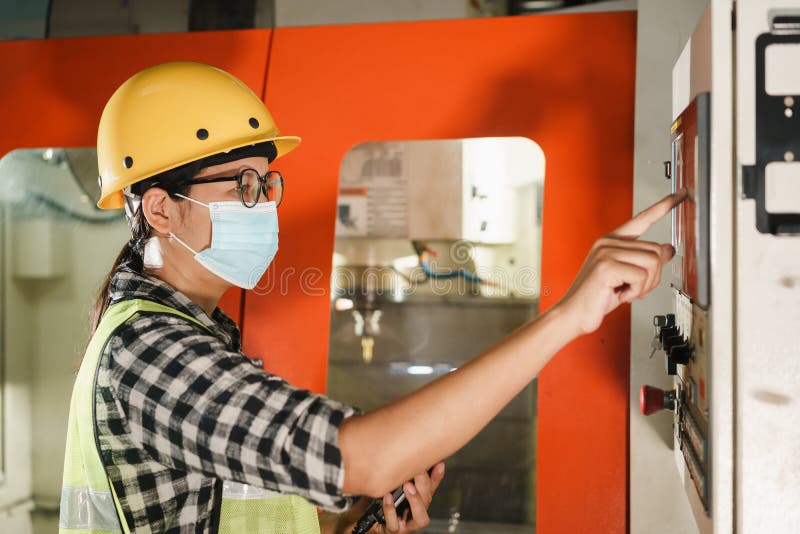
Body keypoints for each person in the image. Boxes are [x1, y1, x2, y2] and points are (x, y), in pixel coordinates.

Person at [59, 61, 686, 534]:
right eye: (241, 186)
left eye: (268, 182)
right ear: (162, 209)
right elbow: (365, 458)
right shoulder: (147, 352)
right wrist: (571, 315)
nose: (265, 205)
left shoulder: (194, 338)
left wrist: (360, 524)